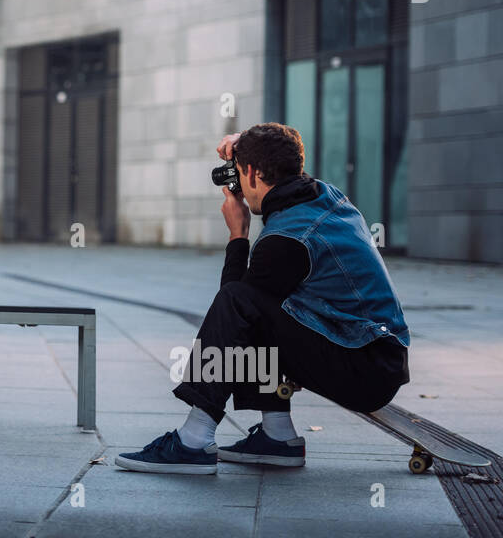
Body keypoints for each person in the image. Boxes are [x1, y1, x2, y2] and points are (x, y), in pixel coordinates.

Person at [116, 122, 410, 474]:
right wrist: (248, 145)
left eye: (239, 173)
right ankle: (277, 436)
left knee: (242, 304)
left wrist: (237, 234)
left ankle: (193, 439)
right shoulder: (322, 194)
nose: (238, 183)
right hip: (376, 355)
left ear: (252, 172)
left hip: (364, 371)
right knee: (258, 306)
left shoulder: (288, 238)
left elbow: (234, 303)